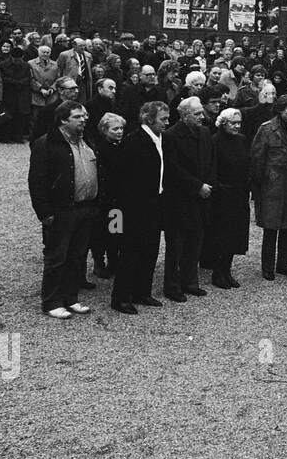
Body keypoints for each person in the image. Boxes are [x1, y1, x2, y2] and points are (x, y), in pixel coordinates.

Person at [28, 100, 100, 319]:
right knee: (57, 257)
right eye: (78, 116)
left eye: (85, 115)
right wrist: (45, 213)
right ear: (62, 120)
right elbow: (37, 181)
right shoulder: (46, 143)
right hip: (61, 210)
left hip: (85, 208)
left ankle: (71, 297)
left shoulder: (85, 140)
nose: (84, 119)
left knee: (77, 256)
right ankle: (51, 301)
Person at [111, 102, 169, 314]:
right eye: (163, 119)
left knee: (150, 249)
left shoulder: (162, 139)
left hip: (156, 201)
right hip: (135, 206)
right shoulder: (134, 142)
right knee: (131, 251)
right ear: (149, 119)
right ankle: (121, 297)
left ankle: (142, 291)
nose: (167, 122)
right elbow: (121, 178)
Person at [161, 97, 216, 301]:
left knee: (196, 241)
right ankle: (172, 285)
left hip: (202, 196)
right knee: (177, 244)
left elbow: (211, 160)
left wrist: (209, 185)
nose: (202, 117)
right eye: (197, 114)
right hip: (180, 198)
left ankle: (190, 281)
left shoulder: (204, 132)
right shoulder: (170, 136)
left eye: (202, 112)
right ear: (184, 116)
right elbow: (173, 169)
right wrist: (197, 186)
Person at [251, 94, 287, 280]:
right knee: (271, 227)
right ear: (280, 110)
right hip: (271, 184)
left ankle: (284, 264)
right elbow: (257, 158)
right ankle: (267, 267)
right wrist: (258, 186)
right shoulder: (266, 129)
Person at [205, 107, 250, 288]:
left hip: (239, 192)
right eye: (233, 123)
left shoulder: (242, 140)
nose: (237, 126)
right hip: (222, 194)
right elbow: (211, 167)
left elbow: (248, 162)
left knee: (235, 234)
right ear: (223, 123)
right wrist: (218, 187)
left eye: (239, 123)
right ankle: (218, 272)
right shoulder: (214, 141)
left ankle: (227, 270)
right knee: (221, 234)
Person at [89, 112, 125, 280]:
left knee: (115, 231)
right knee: (100, 233)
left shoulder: (122, 146)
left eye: (121, 128)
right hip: (105, 199)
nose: (119, 131)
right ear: (104, 130)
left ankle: (113, 260)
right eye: (115, 129)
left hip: (117, 199)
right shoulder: (100, 149)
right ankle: (99, 262)